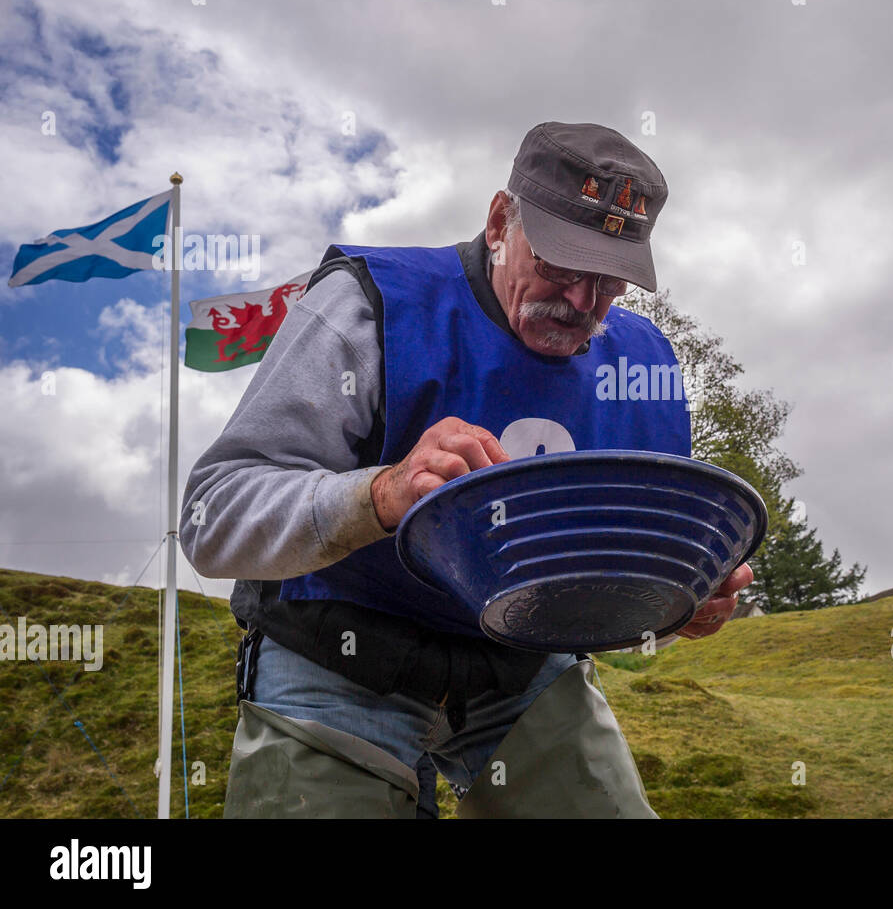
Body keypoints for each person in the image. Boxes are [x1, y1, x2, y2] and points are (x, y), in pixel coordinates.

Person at [180, 121, 754, 818]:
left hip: (518, 670)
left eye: (609, 281)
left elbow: (616, 588)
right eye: (562, 266)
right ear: (497, 222)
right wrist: (383, 494)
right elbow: (210, 516)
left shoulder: (643, 368)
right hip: (338, 654)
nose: (581, 304)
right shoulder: (371, 306)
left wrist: (674, 606)